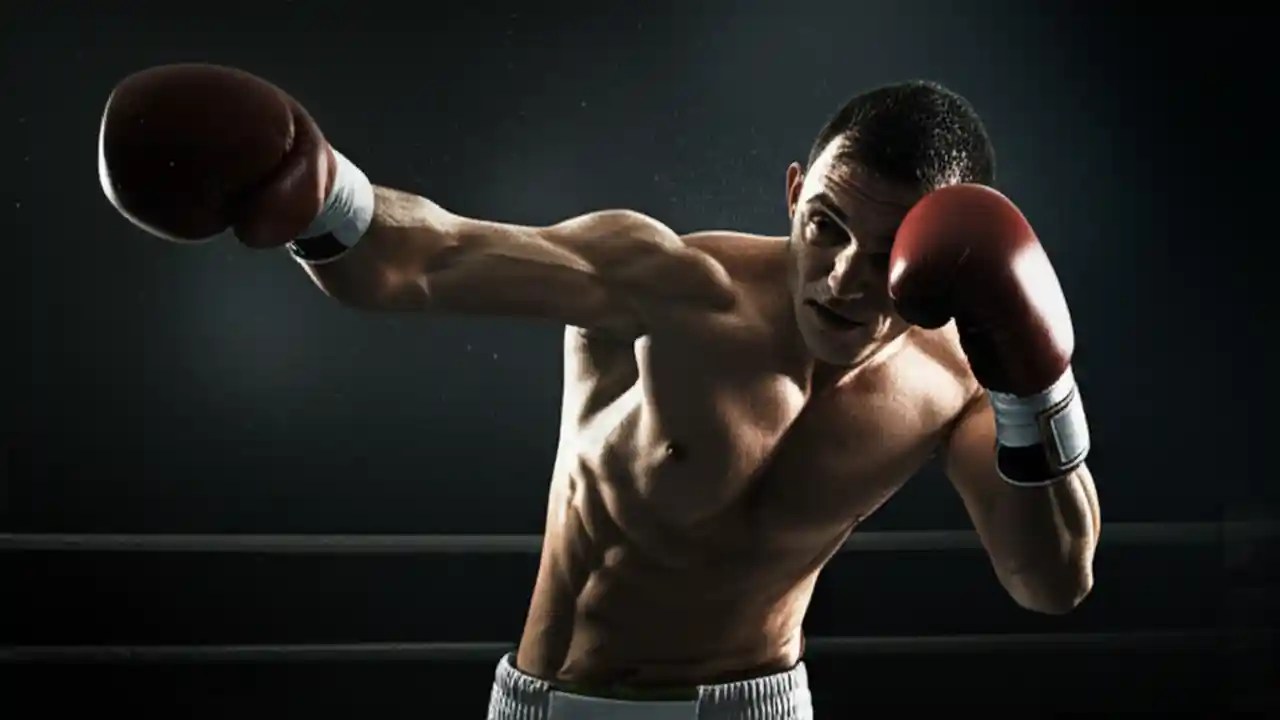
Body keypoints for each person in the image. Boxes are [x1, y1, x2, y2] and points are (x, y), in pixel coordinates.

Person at [97, 63, 1102, 720]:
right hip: (557, 701)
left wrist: (1037, 385)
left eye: (884, 256)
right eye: (827, 225)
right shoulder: (668, 287)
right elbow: (425, 260)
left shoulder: (960, 385)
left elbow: (1049, 581)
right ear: (794, 191)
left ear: (946, 267)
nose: (839, 276)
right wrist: (315, 191)